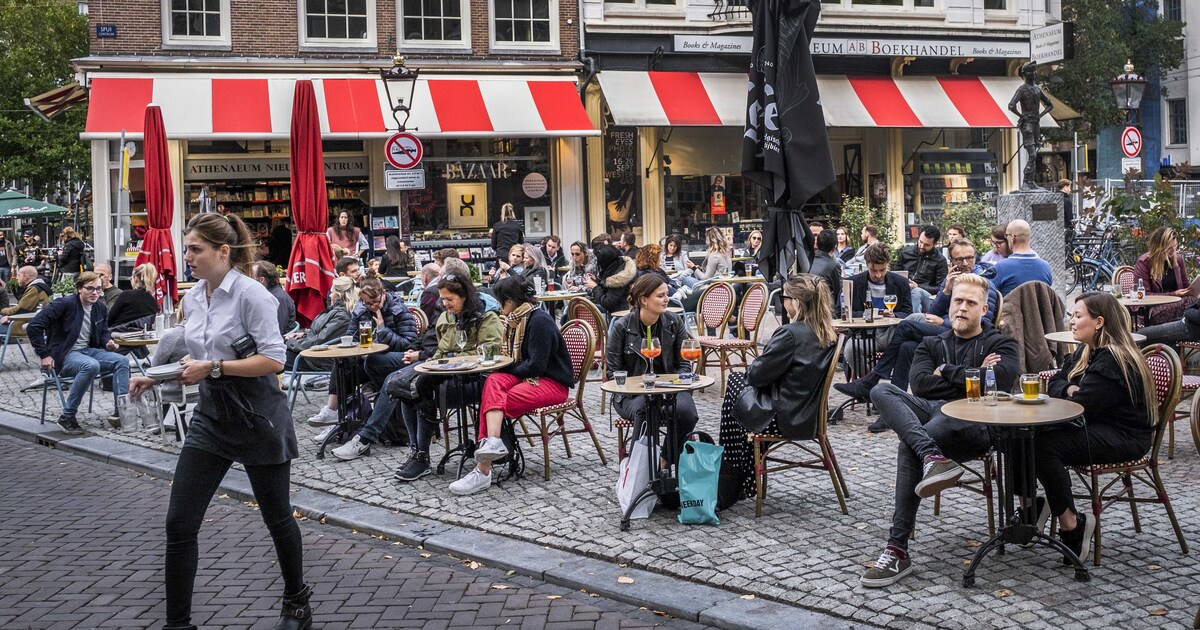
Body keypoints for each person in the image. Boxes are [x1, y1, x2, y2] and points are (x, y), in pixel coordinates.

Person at [127, 212, 311, 629]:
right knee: (179, 522)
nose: (187, 256)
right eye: (186, 248)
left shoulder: (252, 295)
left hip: (256, 414)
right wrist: (152, 376)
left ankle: (297, 600)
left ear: (223, 251)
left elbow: (275, 359)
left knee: (277, 516)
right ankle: (178, 623)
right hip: (212, 416)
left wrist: (214, 368)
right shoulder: (193, 298)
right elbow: (194, 362)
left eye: (195, 249)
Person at [860, 274, 1019, 588]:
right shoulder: (932, 342)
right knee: (882, 391)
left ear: (984, 308)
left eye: (970, 303)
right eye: (957, 301)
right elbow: (920, 384)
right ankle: (931, 454)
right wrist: (975, 374)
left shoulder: (1001, 342)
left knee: (910, 442)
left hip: (974, 424)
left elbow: (999, 381)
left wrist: (945, 370)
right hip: (931, 412)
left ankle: (897, 549)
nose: (961, 308)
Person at [1016, 292, 1156, 562]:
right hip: (1096, 426)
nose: (1071, 321)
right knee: (1018, 435)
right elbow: (1055, 381)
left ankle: (1072, 525)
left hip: (1124, 436)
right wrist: (1069, 387)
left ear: (1099, 322)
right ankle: (1031, 509)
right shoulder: (1087, 350)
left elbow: (1080, 408)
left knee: (1044, 444)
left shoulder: (1113, 360)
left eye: (1078, 316)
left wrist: (1069, 393)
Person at [342, 273, 502, 474]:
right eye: (443, 299)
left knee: (416, 387)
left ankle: (419, 455)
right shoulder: (446, 316)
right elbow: (435, 345)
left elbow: (487, 353)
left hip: (475, 379)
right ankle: (417, 453)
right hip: (444, 370)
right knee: (401, 384)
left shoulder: (486, 317)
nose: (445, 304)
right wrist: (430, 358)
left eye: (449, 299)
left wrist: (431, 357)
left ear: (464, 297)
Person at [837, 239, 1002, 431]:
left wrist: (945, 322)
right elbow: (933, 310)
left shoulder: (982, 285)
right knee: (906, 347)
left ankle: (873, 378)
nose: (964, 264)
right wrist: (946, 291)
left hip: (960, 334)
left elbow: (982, 322)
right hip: (940, 333)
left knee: (907, 326)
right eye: (958, 259)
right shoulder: (951, 281)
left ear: (976, 258)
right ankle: (891, 411)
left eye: (969, 258)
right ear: (952, 261)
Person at [719, 274, 840, 499]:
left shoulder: (790, 334)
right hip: (810, 413)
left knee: (736, 381)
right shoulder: (827, 332)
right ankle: (739, 467)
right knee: (739, 384)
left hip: (785, 416)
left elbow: (756, 375)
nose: (782, 303)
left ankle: (733, 469)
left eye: (784, 298)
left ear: (796, 302)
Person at [449, 276, 574, 495]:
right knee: (493, 381)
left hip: (551, 382)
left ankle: (483, 471)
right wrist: (500, 369)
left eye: (500, 301)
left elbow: (536, 366)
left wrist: (503, 368)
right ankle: (494, 443)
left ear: (509, 301)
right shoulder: (515, 321)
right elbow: (517, 363)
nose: (498, 306)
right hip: (527, 377)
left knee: (493, 401)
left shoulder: (539, 321)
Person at [607, 274, 696, 466]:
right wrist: (634, 386)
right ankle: (639, 468)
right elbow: (612, 373)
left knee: (687, 412)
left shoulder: (673, 322)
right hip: (630, 396)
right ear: (643, 300)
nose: (666, 299)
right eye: (660, 295)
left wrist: (674, 384)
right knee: (647, 410)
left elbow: (683, 364)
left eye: (666, 294)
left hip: (669, 390)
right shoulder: (622, 327)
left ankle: (663, 461)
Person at [305, 277, 419, 427]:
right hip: (370, 358)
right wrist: (356, 348)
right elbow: (353, 336)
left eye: (375, 302)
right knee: (342, 364)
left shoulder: (398, 309)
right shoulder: (361, 310)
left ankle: (351, 420)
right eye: (367, 303)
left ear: (383, 294)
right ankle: (336, 413)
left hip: (397, 358)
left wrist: (382, 330)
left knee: (373, 362)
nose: (372, 306)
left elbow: (409, 343)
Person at [26, 272, 130, 435]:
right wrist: (44, 354)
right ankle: (67, 417)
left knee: (122, 361)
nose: (95, 293)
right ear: (79, 289)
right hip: (64, 354)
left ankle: (122, 412)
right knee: (91, 366)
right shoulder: (64, 304)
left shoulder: (100, 307)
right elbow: (34, 327)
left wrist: (107, 342)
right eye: (90, 289)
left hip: (88, 351)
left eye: (98, 289)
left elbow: (103, 332)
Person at [845, 242, 912, 372]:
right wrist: (870, 315)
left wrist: (894, 315)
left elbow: (908, 312)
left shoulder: (900, 282)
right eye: (873, 270)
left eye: (882, 270)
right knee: (850, 350)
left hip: (891, 333)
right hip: (863, 334)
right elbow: (842, 312)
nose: (878, 275)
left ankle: (891, 385)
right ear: (866, 265)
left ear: (888, 265)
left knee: (910, 341)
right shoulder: (853, 283)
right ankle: (869, 381)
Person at [284, 276, 356, 373]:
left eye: (332, 292)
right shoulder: (337, 311)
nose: (329, 295)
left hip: (318, 359)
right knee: (273, 353)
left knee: (273, 358)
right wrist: (304, 334)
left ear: (339, 295)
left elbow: (319, 342)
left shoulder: (342, 316)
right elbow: (322, 334)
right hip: (313, 354)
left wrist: (292, 342)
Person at [1133, 227, 1196, 326]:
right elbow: (1145, 295)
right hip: (1153, 310)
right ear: (1159, 247)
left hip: (1178, 305)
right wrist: (1174, 294)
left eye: (1175, 247)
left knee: (1193, 302)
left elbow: (1185, 285)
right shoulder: (1144, 263)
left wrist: (1193, 289)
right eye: (1169, 248)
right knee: (1190, 302)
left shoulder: (1177, 259)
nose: (1173, 251)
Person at [892, 225, 947, 314]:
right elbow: (895, 273)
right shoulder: (906, 252)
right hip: (905, 291)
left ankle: (908, 321)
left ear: (935, 244)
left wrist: (918, 286)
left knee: (916, 292)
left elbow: (941, 289)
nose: (921, 246)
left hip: (927, 296)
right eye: (920, 241)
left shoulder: (940, 260)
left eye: (926, 245)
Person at [991, 219, 1053, 296]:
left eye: (1006, 235)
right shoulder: (1046, 267)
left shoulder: (1001, 267)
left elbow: (985, 290)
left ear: (1012, 238)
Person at [0, 265, 50, 338]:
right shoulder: (35, 287)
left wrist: (3, 311)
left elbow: (20, 309)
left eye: (18, 275)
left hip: (21, 326)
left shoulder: (34, 289)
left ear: (26, 277)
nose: (17, 278)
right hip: (21, 321)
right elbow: (22, 308)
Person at [585, 244, 636, 314]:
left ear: (604, 263)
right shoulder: (620, 267)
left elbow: (608, 303)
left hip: (619, 316)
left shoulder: (617, 279)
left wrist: (595, 287)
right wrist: (599, 282)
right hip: (620, 313)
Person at [107, 262, 159, 331]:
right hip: (141, 336)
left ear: (136, 278)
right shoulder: (153, 301)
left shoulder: (125, 295)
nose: (130, 279)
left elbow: (110, 319)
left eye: (132, 277)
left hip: (120, 335)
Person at [253, 261, 297, 335]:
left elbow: (277, 331)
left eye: (251, 277)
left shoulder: (278, 298)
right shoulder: (271, 295)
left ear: (261, 280)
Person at [809, 230, 843, 311]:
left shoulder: (806, 260)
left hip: (805, 304)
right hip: (822, 308)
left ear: (817, 243)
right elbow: (837, 291)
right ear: (835, 246)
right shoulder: (833, 265)